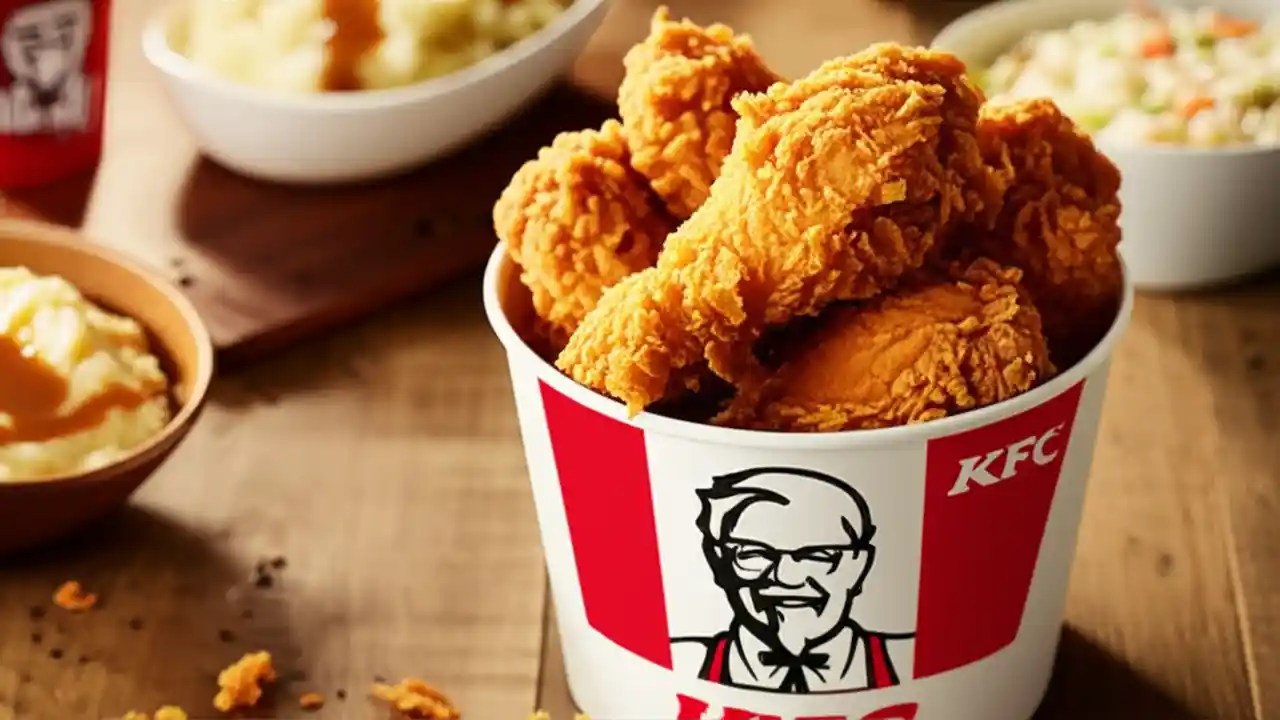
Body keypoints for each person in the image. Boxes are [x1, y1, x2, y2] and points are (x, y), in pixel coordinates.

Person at [671, 467, 913, 694]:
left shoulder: (910, 657)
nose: (788, 578)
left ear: (858, 566)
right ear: (718, 561)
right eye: (755, 554)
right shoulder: (680, 660)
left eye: (819, 555)